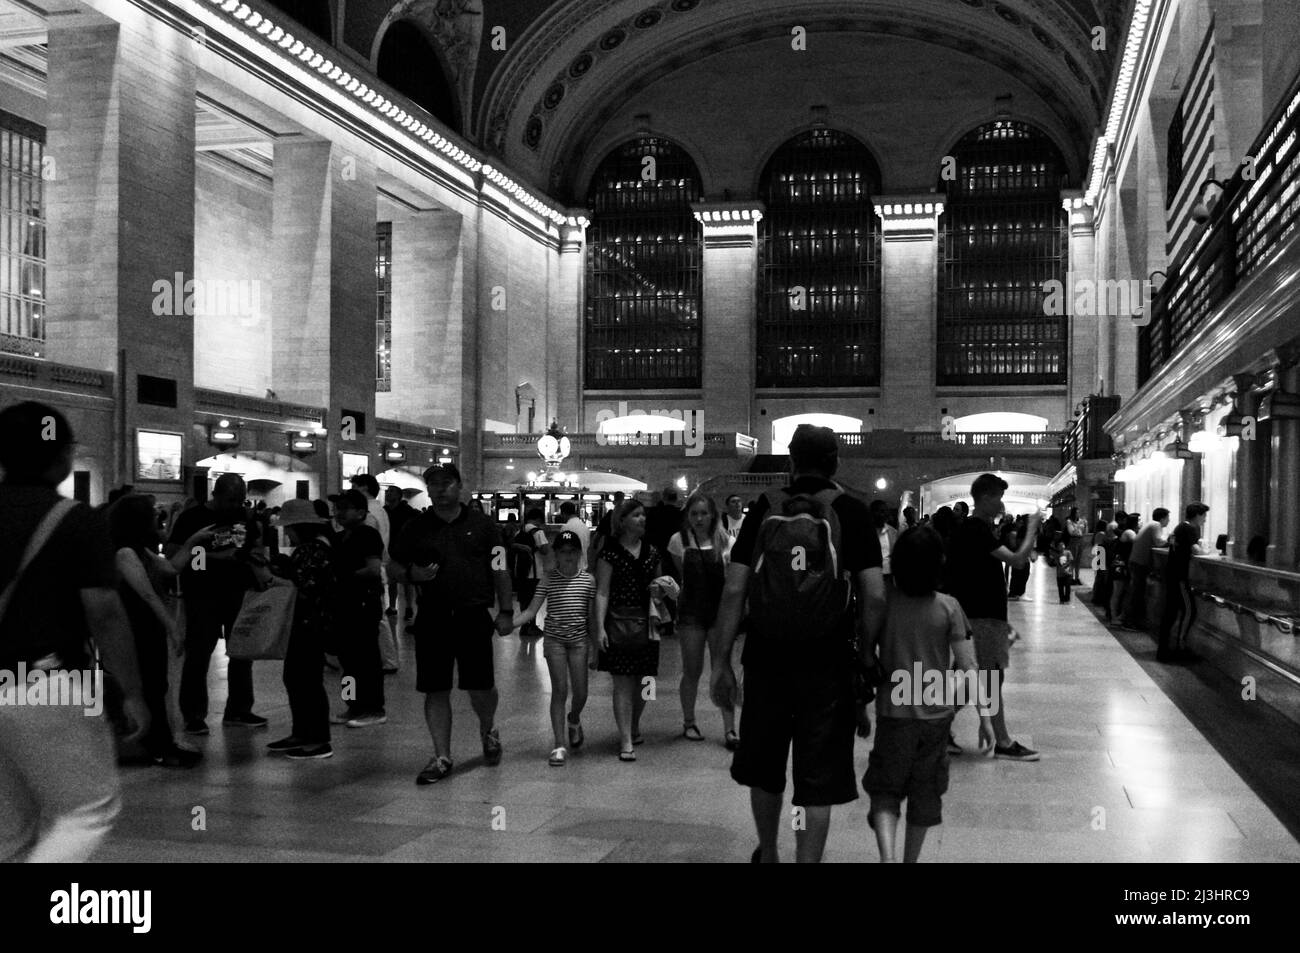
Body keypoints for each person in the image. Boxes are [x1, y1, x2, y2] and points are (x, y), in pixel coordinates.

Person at [710, 424, 887, 863]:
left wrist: (720, 663)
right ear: (836, 463)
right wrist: (865, 655)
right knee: (817, 776)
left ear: (790, 462)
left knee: (766, 767)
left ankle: (768, 852)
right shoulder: (851, 510)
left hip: (767, 657)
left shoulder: (765, 508)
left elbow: (734, 589)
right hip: (827, 662)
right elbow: (875, 595)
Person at [0, 401, 148, 862]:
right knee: (86, 811)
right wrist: (134, 692)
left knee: (9, 827)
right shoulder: (75, 520)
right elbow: (104, 613)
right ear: (63, 456)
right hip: (49, 680)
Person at [865, 526, 995, 862]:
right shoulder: (949, 607)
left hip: (893, 714)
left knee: (885, 790)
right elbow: (969, 666)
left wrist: (857, 705)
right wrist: (985, 716)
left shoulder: (884, 603)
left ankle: (887, 858)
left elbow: (866, 655)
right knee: (925, 793)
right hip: (936, 718)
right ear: (939, 563)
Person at [389, 464, 515, 785]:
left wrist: (505, 611)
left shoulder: (485, 527)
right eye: (434, 484)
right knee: (435, 686)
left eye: (447, 483)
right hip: (433, 616)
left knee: (480, 685)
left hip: (473, 615)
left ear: (460, 486)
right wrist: (411, 575)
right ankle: (442, 755)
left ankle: (488, 728)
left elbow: (500, 569)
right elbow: (393, 565)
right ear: (428, 490)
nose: (440, 489)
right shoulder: (415, 527)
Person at [107, 494, 212, 768]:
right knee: (150, 685)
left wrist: (193, 541)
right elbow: (148, 595)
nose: (159, 517)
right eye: (153, 514)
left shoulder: (141, 550)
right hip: (135, 628)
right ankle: (155, 745)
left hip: (146, 627)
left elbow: (172, 568)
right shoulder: (126, 553)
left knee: (157, 684)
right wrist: (173, 627)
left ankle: (159, 743)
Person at [944, 473, 1040, 762]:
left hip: (981, 616)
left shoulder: (976, 529)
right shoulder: (975, 529)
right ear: (985, 498)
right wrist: (1032, 529)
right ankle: (1003, 741)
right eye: (998, 497)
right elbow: (1017, 559)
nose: (1000, 503)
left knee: (977, 679)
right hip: (981, 616)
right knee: (990, 680)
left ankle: (937, 727)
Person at [167, 473, 268, 733]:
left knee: (241, 652)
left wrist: (254, 557)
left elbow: (254, 546)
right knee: (199, 653)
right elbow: (174, 554)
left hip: (237, 592)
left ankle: (239, 709)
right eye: (231, 500)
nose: (236, 505)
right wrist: (216, 557)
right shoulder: (192, 518)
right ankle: (193, 714)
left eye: (241, 500)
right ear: (216, 494)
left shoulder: (244, 517)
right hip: (202, 593)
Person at [513, 531, 595, 766]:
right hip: (554, 641)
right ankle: (559, 744)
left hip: (579, 641)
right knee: (560, 690)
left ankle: (574, 718)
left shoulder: (588, 580)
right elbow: (531, 610)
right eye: (563, 552)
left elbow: (590, 617)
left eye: (572, 552)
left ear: (579, 554)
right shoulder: (549, 578)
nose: (568, 556)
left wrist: (596, 647)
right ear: (556, 554)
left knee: (581, 692)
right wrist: (511, 624)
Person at [594, 498, 666, 761]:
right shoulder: (609, 553)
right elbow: (602, 592)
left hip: (647, 623)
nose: (642, 519)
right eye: (636, 515)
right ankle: (625, 738)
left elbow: (659, 586)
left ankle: (634, 724)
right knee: (623, 683)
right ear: (622, 521)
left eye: (643, 515)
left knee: (645, 681)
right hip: (618, 622)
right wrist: (599, 628)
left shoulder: (653, 552)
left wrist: (661, 591)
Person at [267, 499, 338, 759]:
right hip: (310, 623)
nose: (287, 532)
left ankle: (317, 739)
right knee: (297, 678)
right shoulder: (317, 548)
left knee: (306, 680)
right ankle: (302, 732)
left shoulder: (312, 551)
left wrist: (273, 576)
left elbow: (303, 588)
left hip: (310, 624)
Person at [666, 492, 737, 749]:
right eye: (694, 513)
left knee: (723, 668)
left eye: (703, 513)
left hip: (720, 614)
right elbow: (680, 574)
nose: (698, 518)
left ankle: (730, 728)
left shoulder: (726, 541)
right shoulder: (678, 541)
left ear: (713, 515)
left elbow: (732, 580)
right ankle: (689, 721)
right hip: (691, 614)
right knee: (692, 670)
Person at [328, 489, 386, 728]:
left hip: (363, 604)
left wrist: (344, 578)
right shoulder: (342, 537)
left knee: (366, 658)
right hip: (344, 605)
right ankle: (352, 705)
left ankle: (373, 708)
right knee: (348, 660)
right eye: (337, 508)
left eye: (344, 508)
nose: (338, 513)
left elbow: (373, 568)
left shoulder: (368, 534)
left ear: (361, 512)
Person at [1158, 503, 1212, 663]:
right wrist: (1207, 552)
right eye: (1204, 516)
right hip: (1179, 576)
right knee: (1189, 611)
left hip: (1172, 574)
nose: (1205, 520)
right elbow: (1196, 550)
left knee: (1172, 612)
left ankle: (1166, 649)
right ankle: (1179, 648)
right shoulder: (1189, 529)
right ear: (1197, 515)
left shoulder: (1180, 527)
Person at [1123, 508, 1169, 629]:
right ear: (1162, 518)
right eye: (1168, 518)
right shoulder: (1156, 524)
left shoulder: (1150, 524)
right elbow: (1159, 542)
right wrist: (1172, 541)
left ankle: (1131, 620)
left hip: (1136, 561)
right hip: (1139, 563)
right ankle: (1130, 622)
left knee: (1136, 592)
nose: (1169, 521)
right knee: (1137, 593)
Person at [510, 506, 551, 638]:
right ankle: (531, 626)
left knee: (523, 600)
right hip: (534, 571)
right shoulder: (538, 532)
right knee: (534, 600)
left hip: (521, 571)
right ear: (538, 519)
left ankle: (524, 627)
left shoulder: (519, 532)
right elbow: (545, 550)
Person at [383, 485, 418, 623]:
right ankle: (392, 606)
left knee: (406, 580)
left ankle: (409, 606)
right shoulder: (385, 511)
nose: (387, 494)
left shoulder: (408, 511)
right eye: (387, 491)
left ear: (398, 495)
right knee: (392, 579)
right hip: (390, 548)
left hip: (404, 549)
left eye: (391, 491)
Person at [1109, 513, 1139, 626]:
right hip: (1120, 566)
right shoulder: (1129, 532)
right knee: (1117, 592)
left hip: (1120, 565)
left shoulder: (1126, 531)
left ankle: (1118, 615)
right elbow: (1136, 541)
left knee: (1121, 592)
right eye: (1139, 521)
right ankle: (1114, 617)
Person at [589, 491, 624, 569]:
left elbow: (598, 533)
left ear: (614, 501)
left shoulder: (610, 514)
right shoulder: (626, 514)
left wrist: (594, 545)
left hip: (610, 545)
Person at [1091, 521, 1117, 620]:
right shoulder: (1103, 537)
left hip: (1101, 562)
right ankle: (1098, 598)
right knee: (1102, 581)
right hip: (1103, 563)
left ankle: (1097, 597)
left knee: (1099, 579)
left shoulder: (1101, 536)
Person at [870, 500, 899, 587]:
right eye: (878, 511)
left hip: (889, 575)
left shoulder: (892, 532)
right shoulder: (865, 532)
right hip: (871, 574)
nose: (881, 514)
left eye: (884, 511)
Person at [1065, 507, 1088, 585]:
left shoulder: (1081, 521)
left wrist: (1085, 525)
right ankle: (1070, 578)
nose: (1078, 514)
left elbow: (1085, 533)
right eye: (1077, 512)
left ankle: (1077, 578)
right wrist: (1078, 525)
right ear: (1073, 513)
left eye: (1079, 512)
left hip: (1080, 540)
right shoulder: (1069, 521)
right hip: (1073, 541)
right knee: (1072, 560)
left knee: (1078, 561)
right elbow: (1071, 532)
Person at [1051, 533, 1074, 604]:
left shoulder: (1068, 552)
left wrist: (1065, 566)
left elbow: (1070, 560)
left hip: (1068, 573)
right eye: (1059, 545)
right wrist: (1060, 566)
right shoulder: (1057, 555)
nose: (1061, 546)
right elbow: (1057, 562)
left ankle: (1067, 599)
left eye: (1062, 545)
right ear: (1057, 547)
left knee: (1067, 587)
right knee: (1060, 588)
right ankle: (1062, 599)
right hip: (1060, 574)